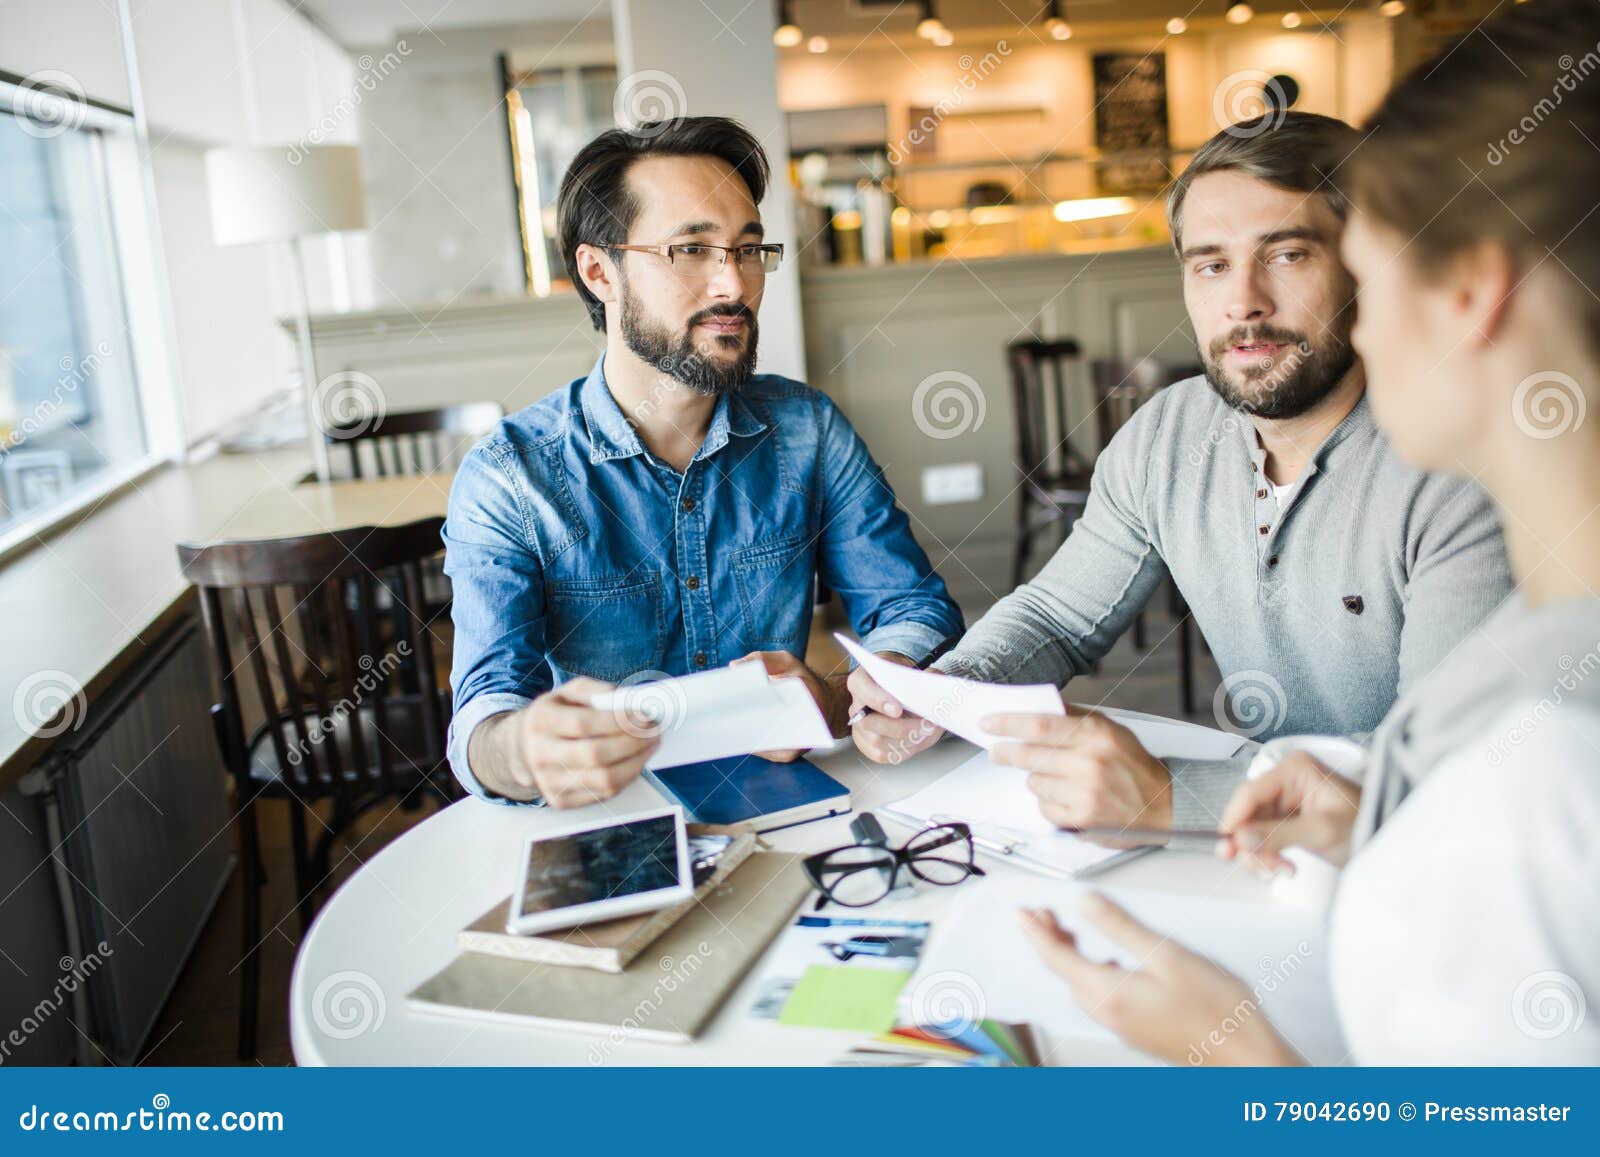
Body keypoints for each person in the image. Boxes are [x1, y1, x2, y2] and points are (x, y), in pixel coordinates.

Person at [1021, 0, 1600, 1064]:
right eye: (1206, 263)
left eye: (1364, 273)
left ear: (1467, 292)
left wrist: (1226, 1049)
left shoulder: (1537, 762)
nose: (1363, 325)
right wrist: (1364, 811)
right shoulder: (1543, 678)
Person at [848, 111, 1513, 839]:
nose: (1243, 302)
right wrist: (949, 689)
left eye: (1287, 254)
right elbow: (1058, 617)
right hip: (1275, 856)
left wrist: (1175, 798)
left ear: (1369, 261)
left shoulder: (1457, 465)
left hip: (1445, 872)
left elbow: (1448, 769)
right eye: (1211, 264)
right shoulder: (1170, 434)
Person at [443, 117, 962, 807]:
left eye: (749, 250)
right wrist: (520, 749)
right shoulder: (510, 476)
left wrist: (841, 696)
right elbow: (483, 716)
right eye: (690, 248)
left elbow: (913, 607)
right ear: (599, 270)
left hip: (791, 803)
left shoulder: (806, 431)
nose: (734, 284)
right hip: (606, 823)